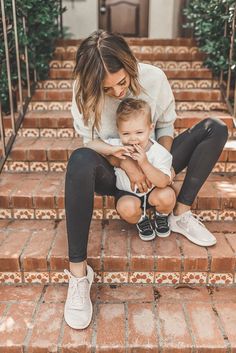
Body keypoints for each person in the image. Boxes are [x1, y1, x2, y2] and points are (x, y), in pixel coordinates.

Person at [64, 30, 228, 330]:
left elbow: (166, 126)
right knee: (78, 160)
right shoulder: (82, 91)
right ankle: (78, 275)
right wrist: (128, 164)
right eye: (107, 89)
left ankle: (180, 213)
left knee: (215, 128)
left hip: (156, 160)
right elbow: (90, 141)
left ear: (130, 65)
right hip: (113, 170)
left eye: (122, 83)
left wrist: (155, 165)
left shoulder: (154, 78)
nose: (117, 92)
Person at [87, 97, 176, 241]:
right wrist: (112, 150)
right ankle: (141, 219)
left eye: (139, 133)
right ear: (118, 131)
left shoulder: (159, 152)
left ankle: (161, 216)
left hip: (154, 191)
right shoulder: (118, 145)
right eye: (126, 134)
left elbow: (163, 182)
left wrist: (145, 163)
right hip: (127, 193)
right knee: (126, 208)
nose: (133, 139)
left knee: (168, 196)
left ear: (150, 129)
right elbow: (90, 146)